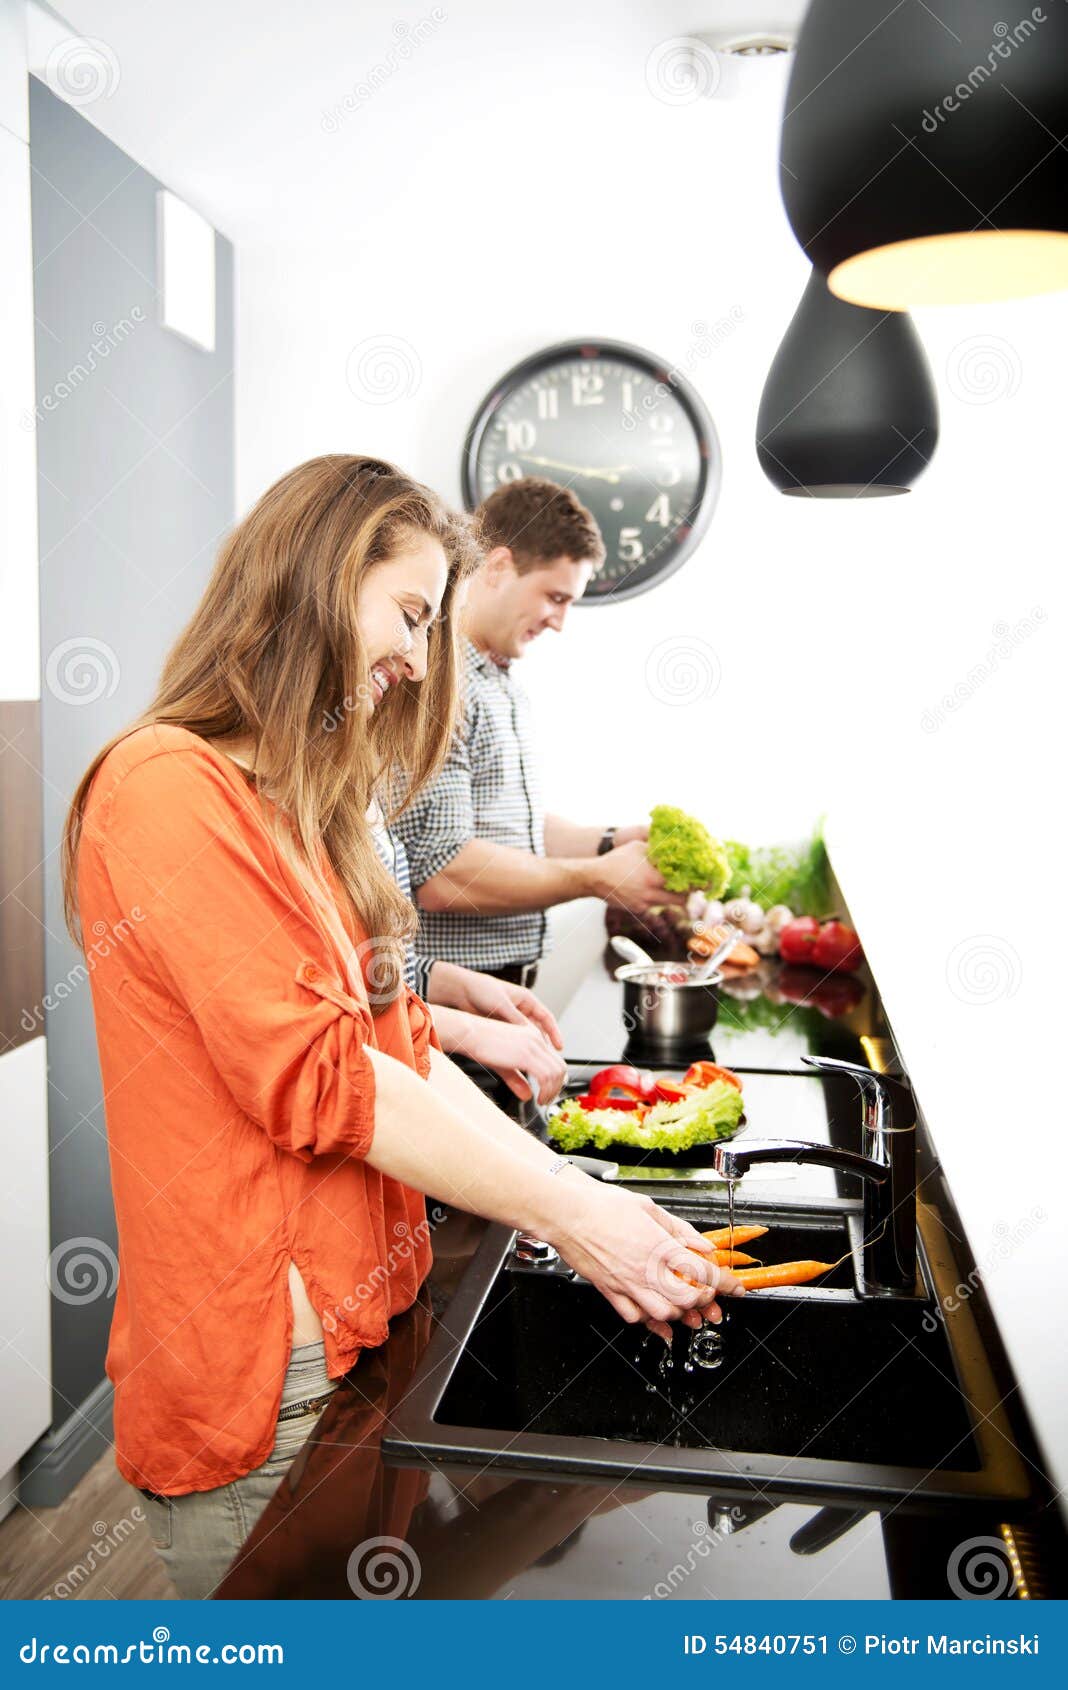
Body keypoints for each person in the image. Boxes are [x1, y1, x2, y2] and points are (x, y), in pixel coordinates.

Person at [62, 454, 739, 1599]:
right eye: (411, 617)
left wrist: (563, 1487)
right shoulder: (164, 787)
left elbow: (366, 1029)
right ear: (316, 579)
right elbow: (326, 1073)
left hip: (365, 1325)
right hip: (265, 1371)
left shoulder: (300, 801)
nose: (419, 660)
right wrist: (579, 1212)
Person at [393, 477, 686, 992]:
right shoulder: (438, 688)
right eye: (555, 597)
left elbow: (509, 829)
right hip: (452, 996)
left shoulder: (499, 683)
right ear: (500, 566)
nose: (560, 622)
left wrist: (609, 843)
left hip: (505, 985)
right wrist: (596, 879)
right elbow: (445, 874)